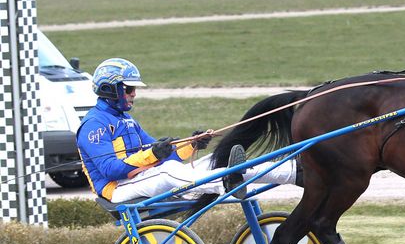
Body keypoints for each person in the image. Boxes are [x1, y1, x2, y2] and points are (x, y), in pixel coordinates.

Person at [76, 58, 299, 203]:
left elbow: (165, 154)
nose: (134, 94)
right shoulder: (93, 125)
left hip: (144, 177)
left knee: (217, 161)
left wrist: (191, 144)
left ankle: (292, 171)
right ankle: (225, 183)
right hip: (117, 190)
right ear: (110, 90)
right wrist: (154, 154)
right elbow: (111, 170)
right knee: (169, 170)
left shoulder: (127, 120)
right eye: (130, 89)